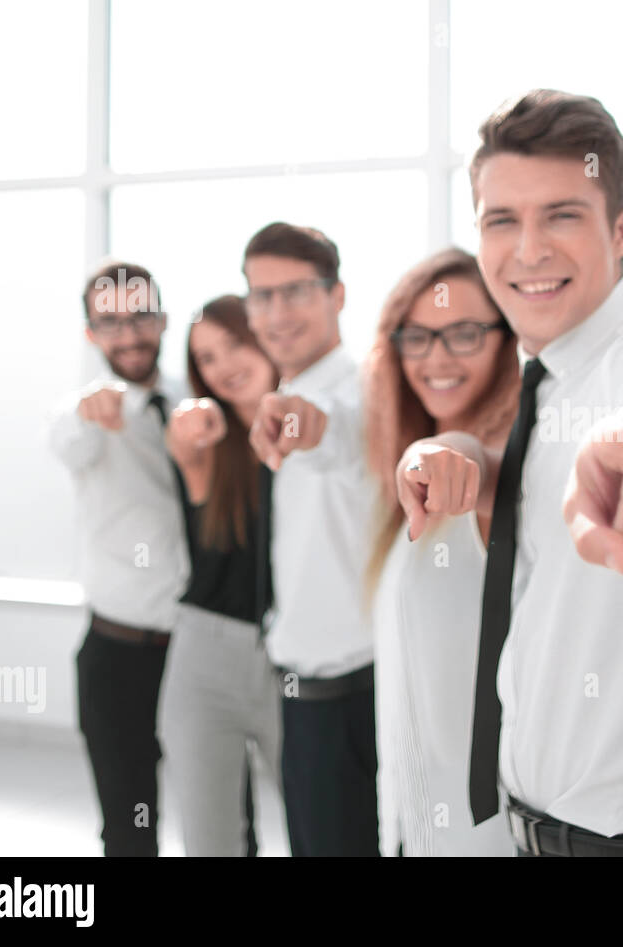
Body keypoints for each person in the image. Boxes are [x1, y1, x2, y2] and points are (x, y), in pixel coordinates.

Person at [395, 91, 623, 856]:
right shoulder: (546, 386)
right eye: (502, 220)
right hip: (521, 829)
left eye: (562, 214)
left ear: (622, 230)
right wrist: (461, 452)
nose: (528, 250)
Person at [365, 248, 519, 856]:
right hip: (413, 823)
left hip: (481, 833)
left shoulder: (496, 464)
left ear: (506, 339)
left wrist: (445, 450)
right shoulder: (400, 477)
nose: (436, 358)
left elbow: (473, 462)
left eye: (463, 334)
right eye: (418, 337)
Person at [244, 222, 382, 856]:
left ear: (338, 295)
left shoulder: (362, 392)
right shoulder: (288, 394)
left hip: (353, 698)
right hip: (304, 695)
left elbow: (338, 435)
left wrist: (305, 424)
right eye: (261, 295)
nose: (277, 312)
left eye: (295, 290)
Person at [46, 260, 188, 856]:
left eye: (139, 317)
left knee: (227, 817)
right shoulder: (82, 414)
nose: (128, 335)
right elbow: (70, 442)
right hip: (116, 654)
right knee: (128, 829)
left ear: (163, 320)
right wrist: (90, 409)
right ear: (90, 334)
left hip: (196, 652)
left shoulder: (195, 402)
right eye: (111, 322)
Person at [158, 294, 284, 856]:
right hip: (204, 656)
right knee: (210, 845)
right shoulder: (206, 438)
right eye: (206, 358)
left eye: (234, 344)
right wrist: (189, 420)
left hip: (295, 661)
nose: (223, 364)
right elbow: (183, 435)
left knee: (322, 828)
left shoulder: (315, 426)